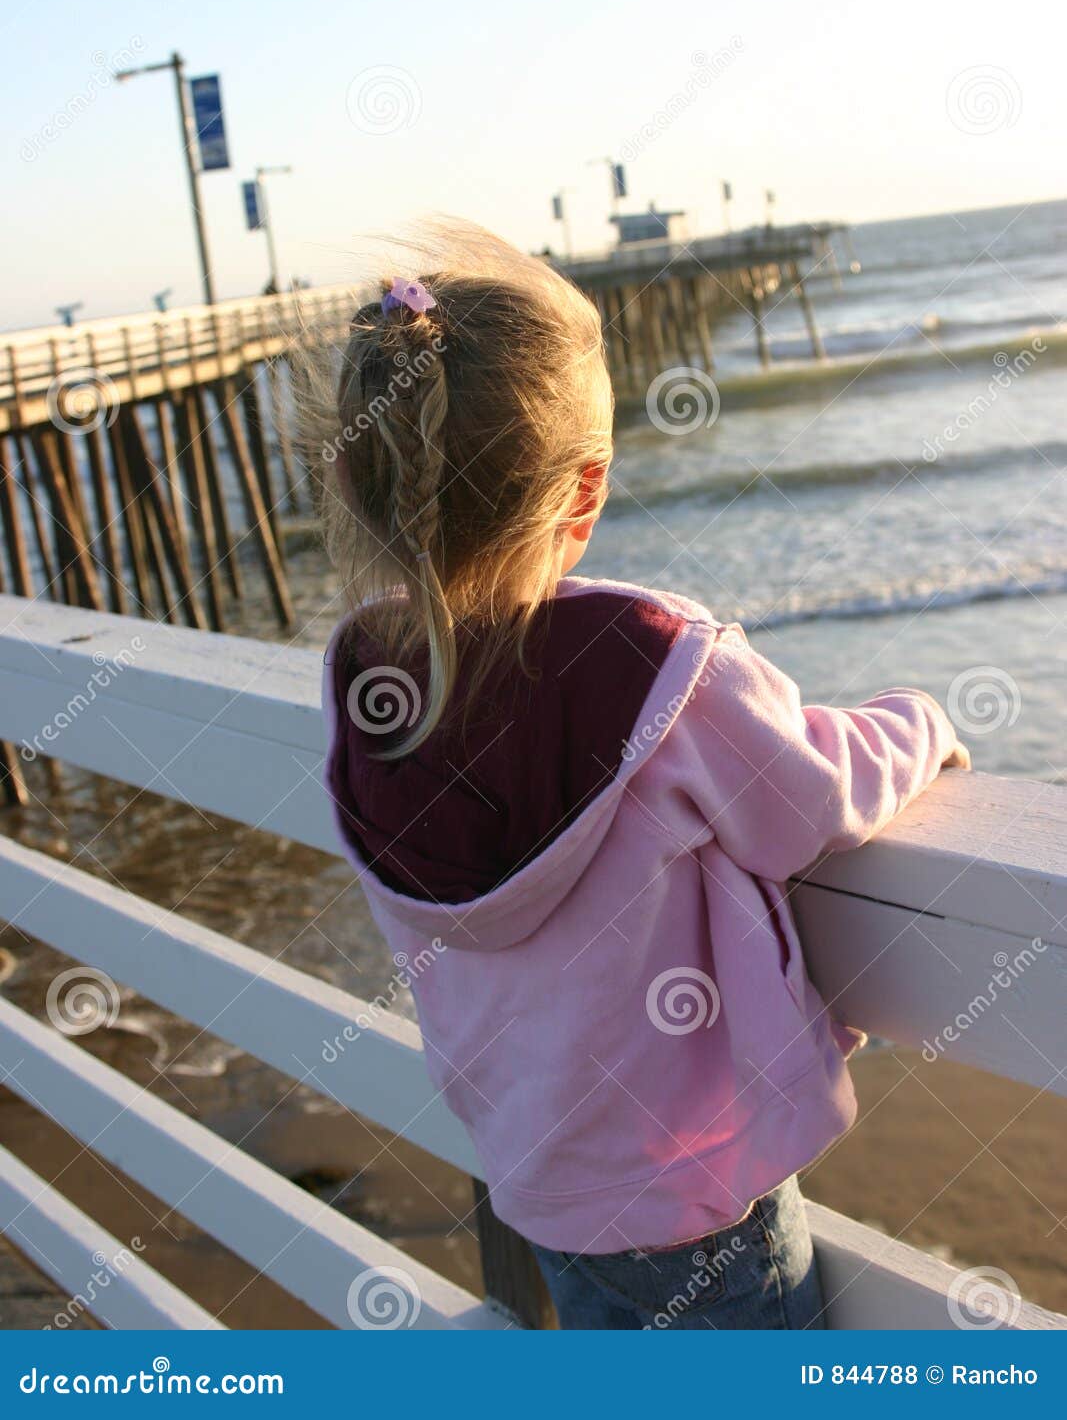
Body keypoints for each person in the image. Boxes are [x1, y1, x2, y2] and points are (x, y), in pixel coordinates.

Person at [307, 222, 968, 1330]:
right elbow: (808, 800)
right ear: (587, 488)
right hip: (694, 1181)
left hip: (542, 1172)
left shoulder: (362, 677)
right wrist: (918, 720)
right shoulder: (651, 660)